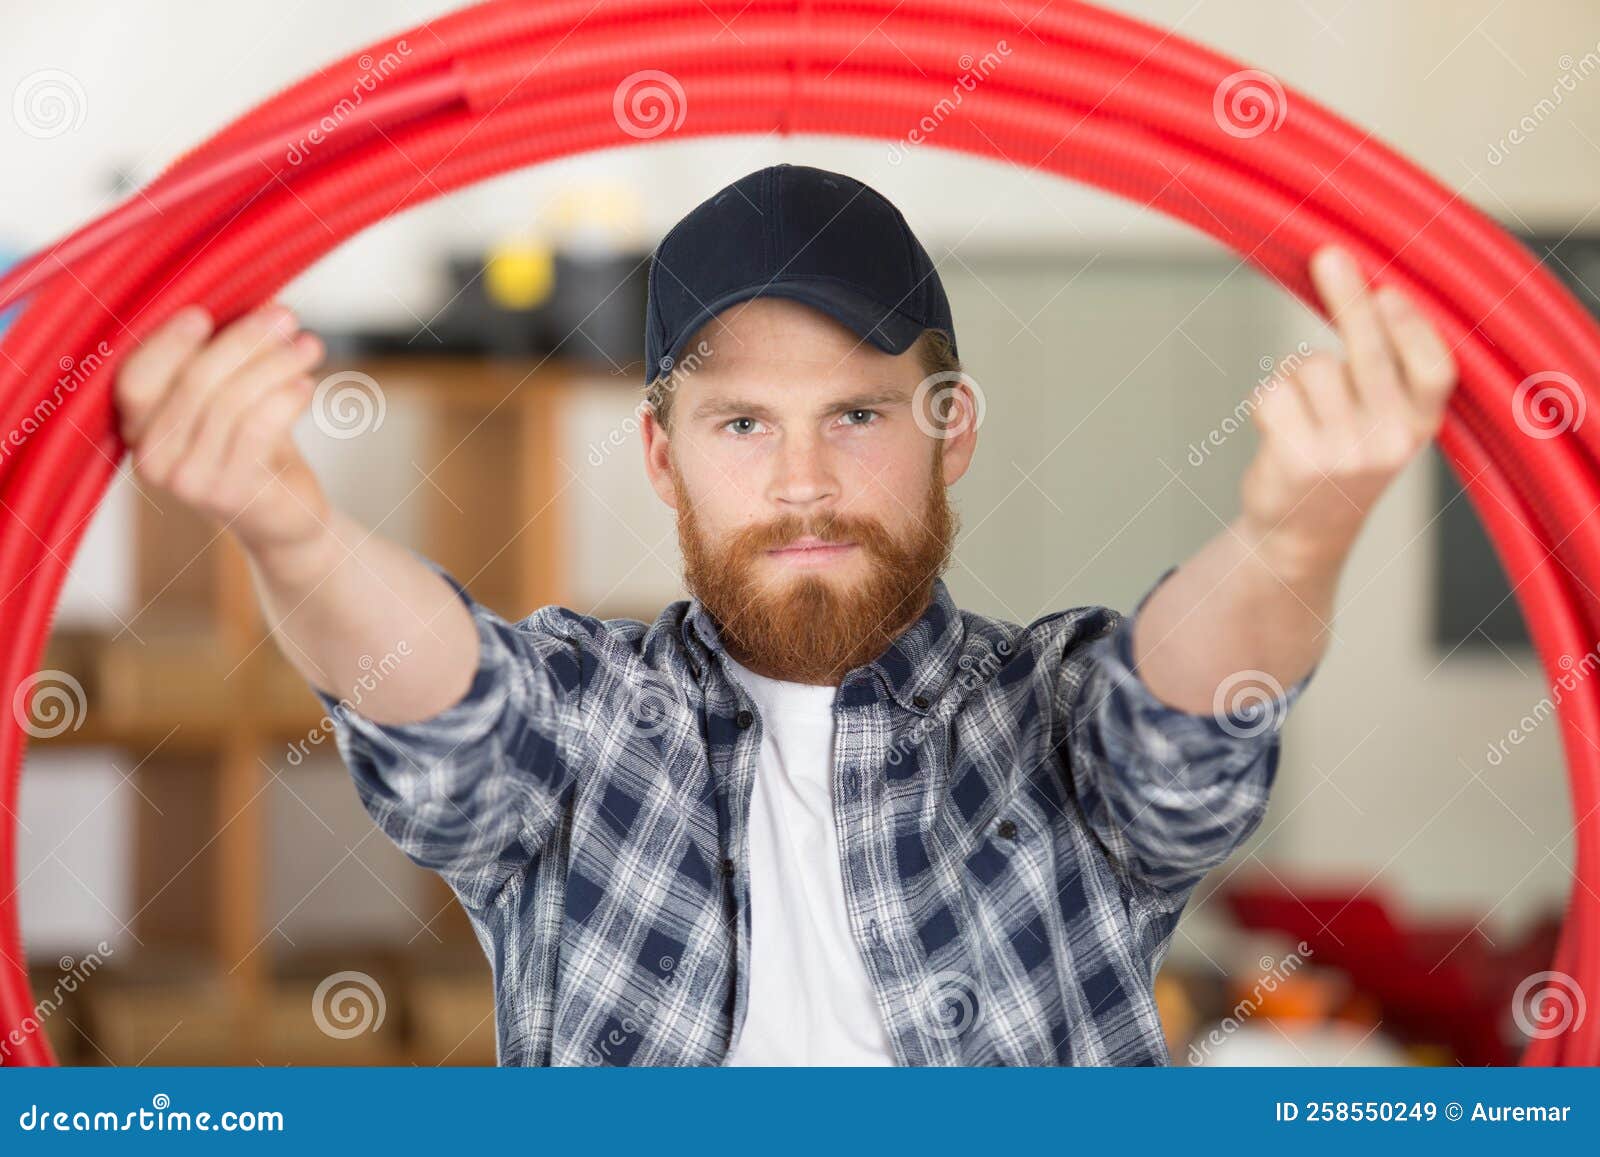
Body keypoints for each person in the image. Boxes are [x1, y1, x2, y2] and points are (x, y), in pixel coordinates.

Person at [112, 162, 1458, 1066]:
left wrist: (1294, 536)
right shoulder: (584, 723)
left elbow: (1175, 714)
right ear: (660, 454)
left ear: (952, 430)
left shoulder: (1046, 714)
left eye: (858, 415)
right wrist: (289, 527)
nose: (803, 479)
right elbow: (444, 703)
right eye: (742, 421)